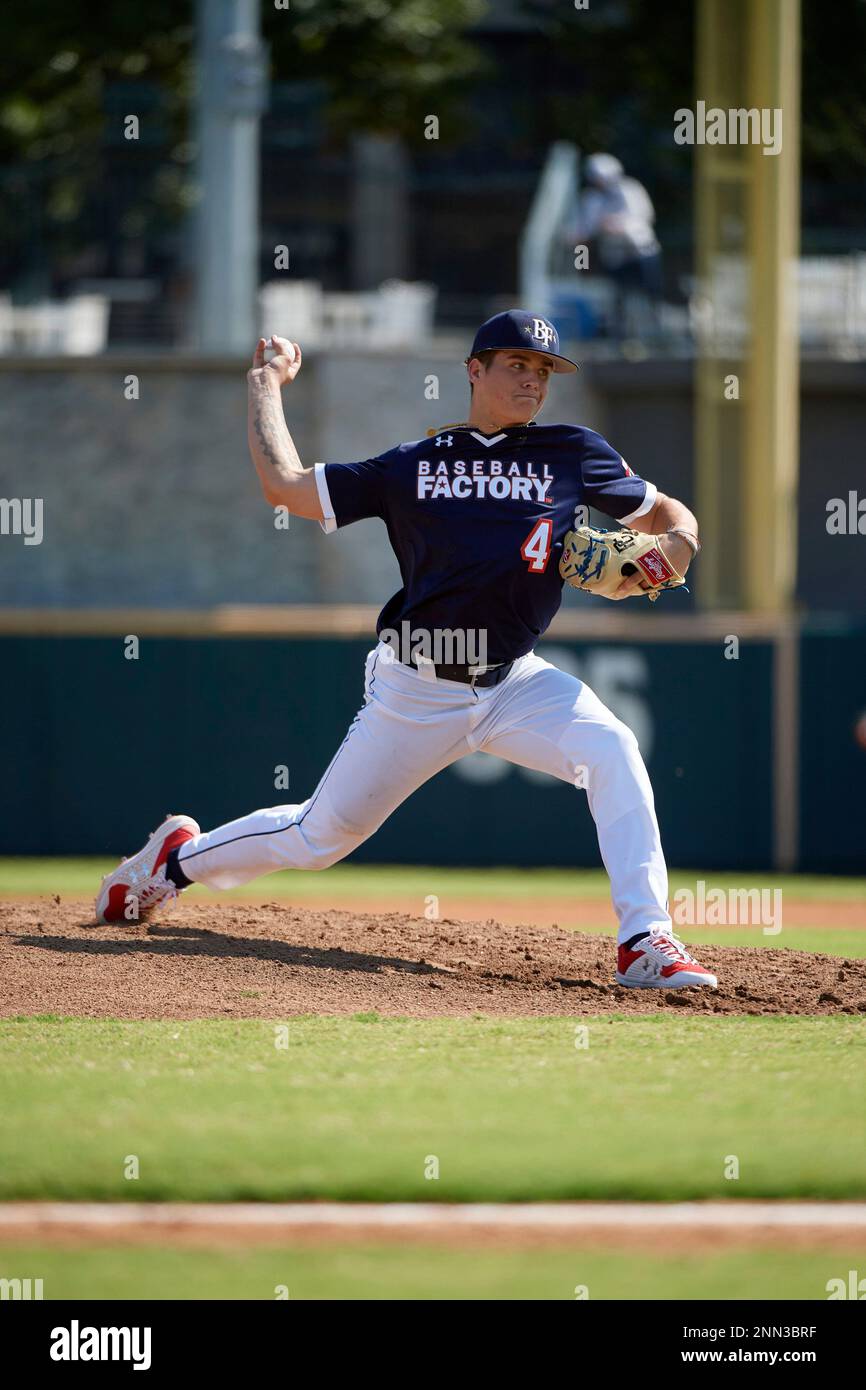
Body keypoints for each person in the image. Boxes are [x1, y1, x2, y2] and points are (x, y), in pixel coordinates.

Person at [95, 310, 715, 990]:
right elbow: (286, 486)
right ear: (474, 370)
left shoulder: (571, 451)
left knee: (613, 748)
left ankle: (644, 941)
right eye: (516, 364)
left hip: (514, 682)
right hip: (418, 686)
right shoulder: (413, 466)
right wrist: (265, 385)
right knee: (318, 838)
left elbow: (663, 514)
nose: (533, 380)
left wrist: (675, 549)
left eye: (543, 370)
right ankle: (175, 861)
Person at [569, 153, 662, 339]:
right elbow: (584, 231)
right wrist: (581, 257)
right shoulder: (591, 200)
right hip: (615, 256)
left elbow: (644, 216)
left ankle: (655, 332)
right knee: (619, 297)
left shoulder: (631, 190)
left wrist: (618, 224)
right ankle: (621, 337)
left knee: (651, 294)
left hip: (642, 251)